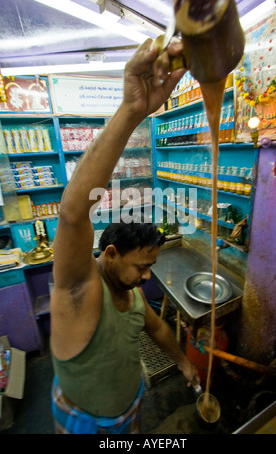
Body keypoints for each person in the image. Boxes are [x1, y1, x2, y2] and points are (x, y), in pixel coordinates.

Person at [50, 37, 200, 434]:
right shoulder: (81, 292)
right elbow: (71, 215)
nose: (148, 277)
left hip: (129, 411)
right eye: (143, 267)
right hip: (86, 424)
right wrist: (132, 111)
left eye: (150, 266)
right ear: (111, 253)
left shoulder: (130, 291)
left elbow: (157, 328)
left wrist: (184, 361)